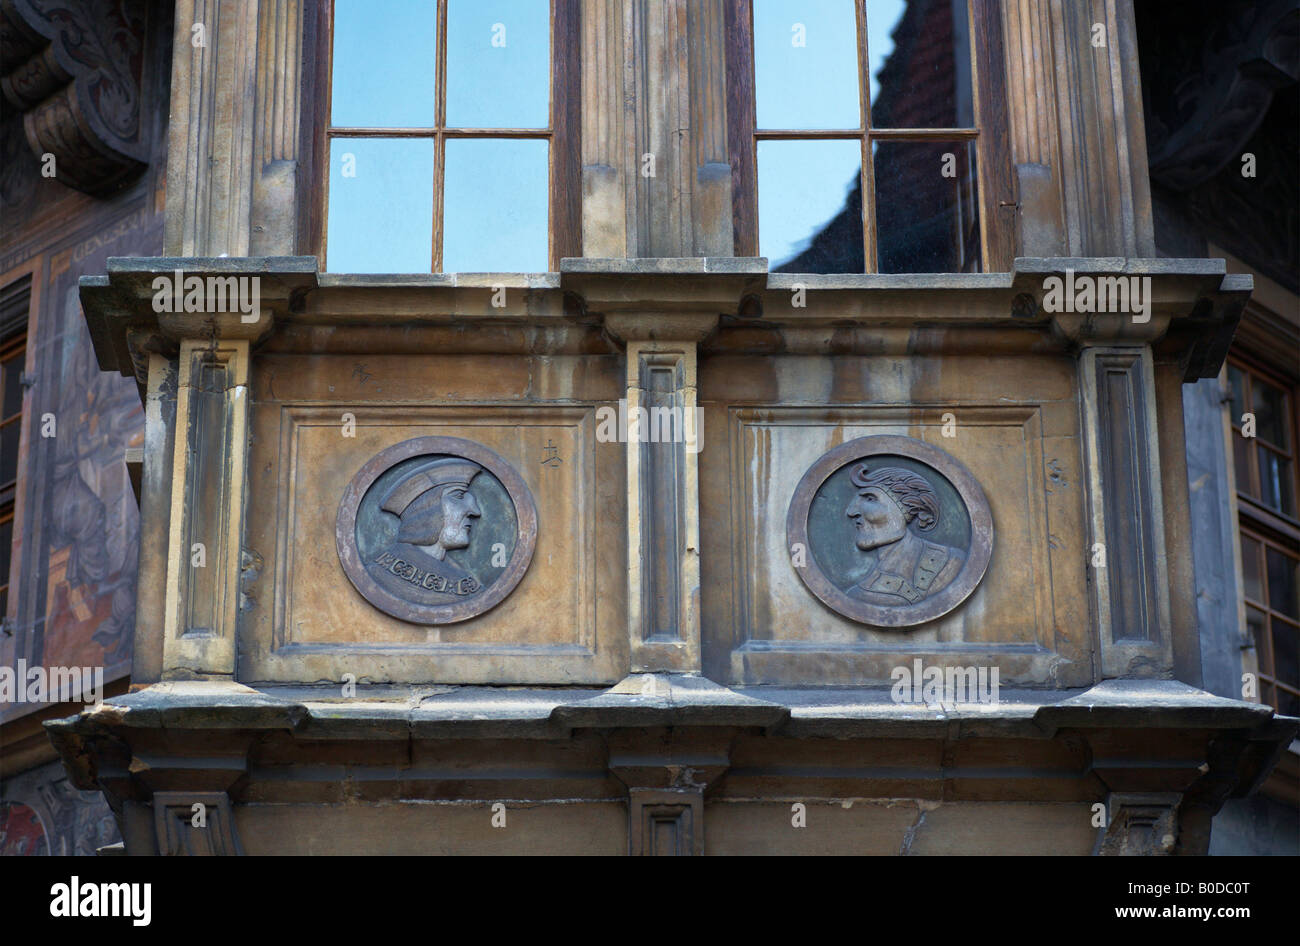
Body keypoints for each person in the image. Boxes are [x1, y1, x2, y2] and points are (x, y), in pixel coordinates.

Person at [365, 457, 486, 602]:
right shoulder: (380, 575)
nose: (475, 512)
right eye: (458, 496)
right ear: (427, 508)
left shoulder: (463, 582)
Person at [843, 463, 964, 606]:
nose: (851, 511)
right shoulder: (859, 595)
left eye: (870, 498)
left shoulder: (953, 563)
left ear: (904, 507)